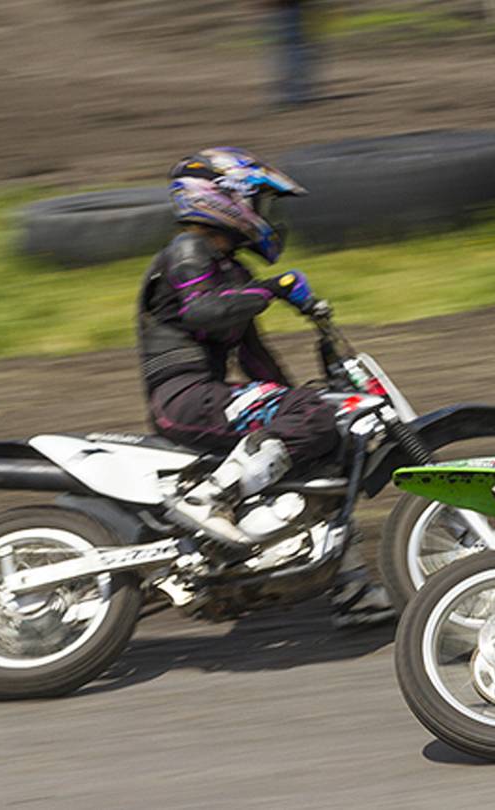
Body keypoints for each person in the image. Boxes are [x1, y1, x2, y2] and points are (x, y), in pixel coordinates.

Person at [137, 146, 393, 627]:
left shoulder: (233, 271)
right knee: (313, 416)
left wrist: (306, 405)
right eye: (260, 203)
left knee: (325, 443)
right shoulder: (187, 251)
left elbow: (256, 358)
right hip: (185, 397)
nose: (267, 216)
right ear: (224, 199)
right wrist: (273, 290)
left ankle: (351, 588)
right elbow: (202, 310)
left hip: (209, 397)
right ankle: (210, 498)